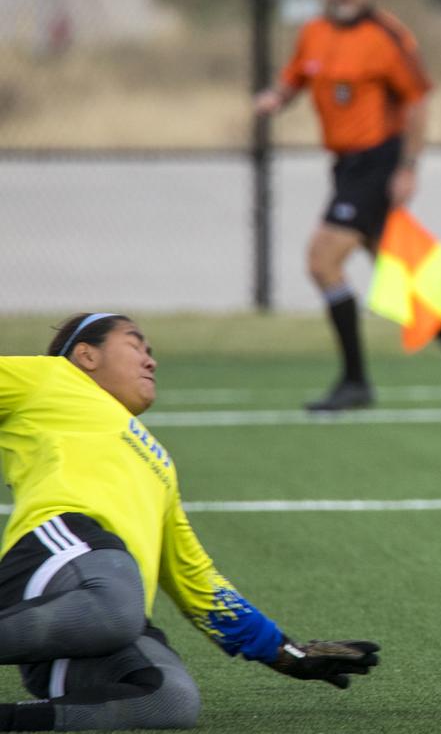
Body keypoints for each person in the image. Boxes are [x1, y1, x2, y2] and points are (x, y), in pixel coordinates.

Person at [0, 313, 381, 731]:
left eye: (151, 352)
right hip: (60, 565)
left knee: (170, 702)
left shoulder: (159, 461)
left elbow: (199, 582)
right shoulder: (50, 377)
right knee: (115, 606)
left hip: (95, 622)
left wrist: (284, 652)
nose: (151, 361)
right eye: (135, 345)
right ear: (86, 355)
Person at [254, 0, 441, 412]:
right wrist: (275, 99)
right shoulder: (313, 32)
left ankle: (355, 381)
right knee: (402, 271)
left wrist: (407, 168)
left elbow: (418, 101)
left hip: (376, 162)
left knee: (322, 260)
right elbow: (297, 78)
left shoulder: (388, 36)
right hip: (345, 166)